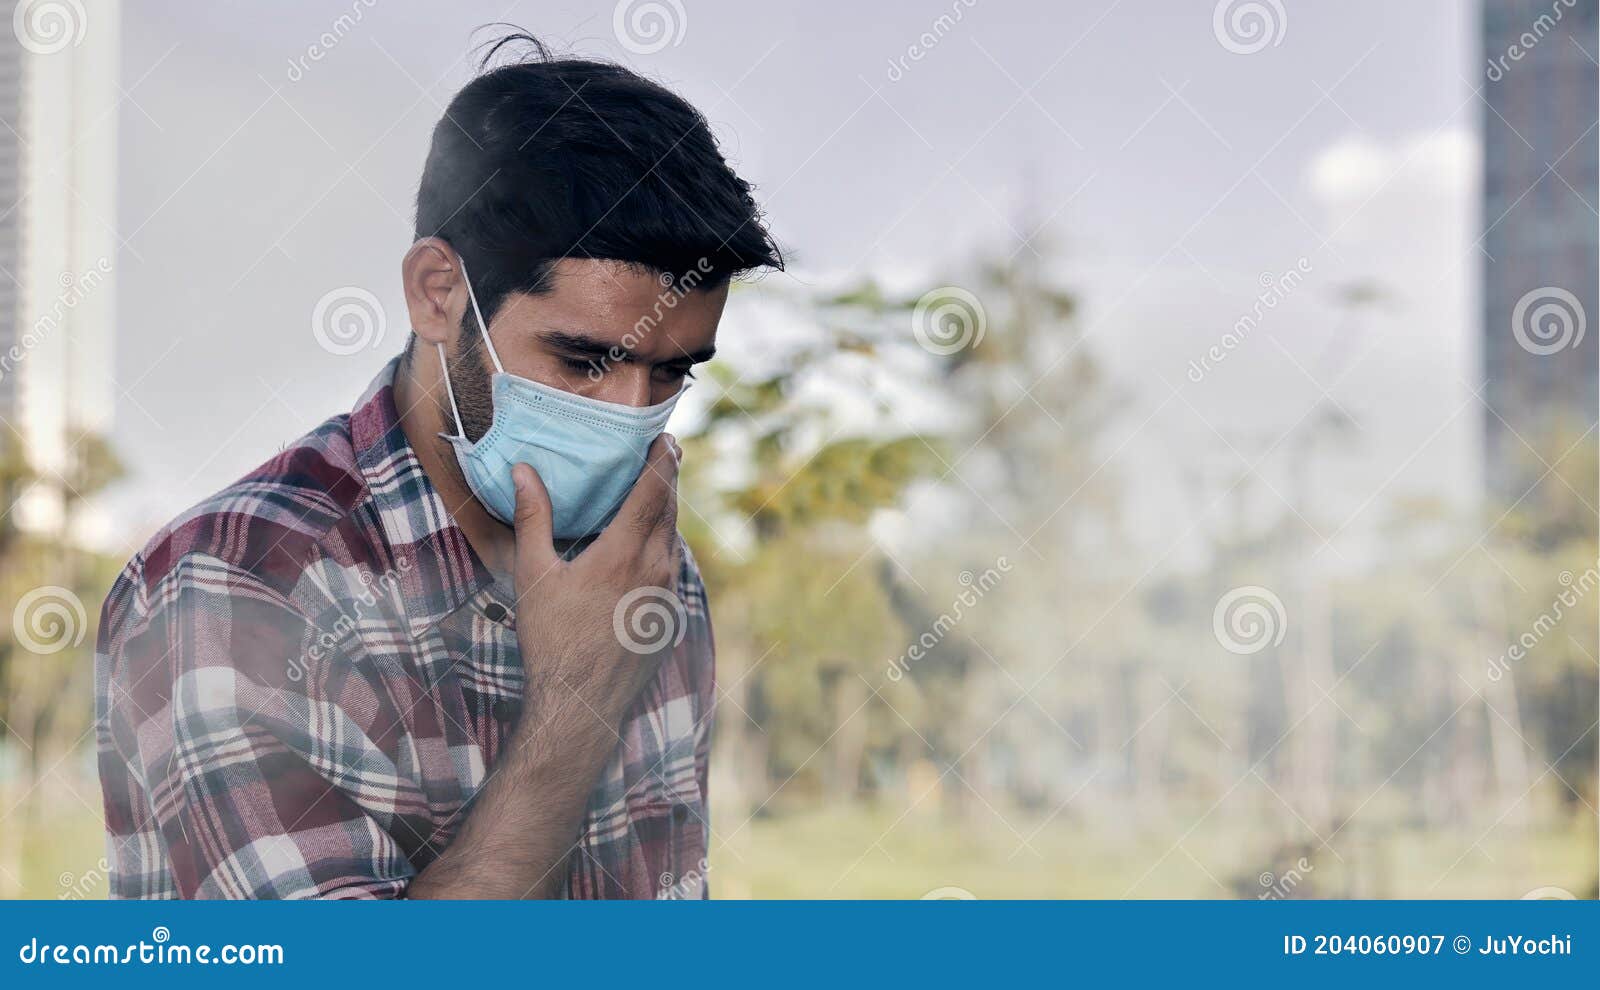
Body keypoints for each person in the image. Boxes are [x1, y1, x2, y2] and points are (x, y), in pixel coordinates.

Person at [94, 33, 782, 899]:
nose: (631, 418)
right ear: (437, 292)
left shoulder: (650, 570)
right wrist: (571, 720)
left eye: (673, 371)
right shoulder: (232, 590)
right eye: (583, 360)